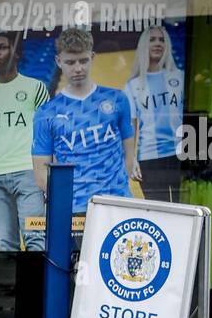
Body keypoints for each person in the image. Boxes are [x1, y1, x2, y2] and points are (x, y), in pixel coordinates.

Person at [32, 26, 140, 213]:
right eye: (70, 62)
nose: (78, 68)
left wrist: (117, 191)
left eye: (83, 60)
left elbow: (129, 157)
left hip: (117, 204)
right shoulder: (46, 113)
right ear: (58, 61)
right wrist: (67, 201)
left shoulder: (117, 99)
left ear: (92, 57)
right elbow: (41, 175)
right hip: (74, 209)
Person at [0, 31, 48, 250]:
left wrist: (45, 175)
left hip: (30, 175)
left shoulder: (36, 87)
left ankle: (35, 276)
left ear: (16, 53)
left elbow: (47, 135)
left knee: (35, 239)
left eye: (3, 47)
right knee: (6, 244)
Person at [124, 24, 184, 202]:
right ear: (144, 45)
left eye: (162, 40)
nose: (158, 43)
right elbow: (131, 127)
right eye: (152, 40)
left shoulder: (180, 77)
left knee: (185, 211)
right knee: (160, 213)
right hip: (150, 159)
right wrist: (131, 159)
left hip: (181, 156)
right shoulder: (132, 86)